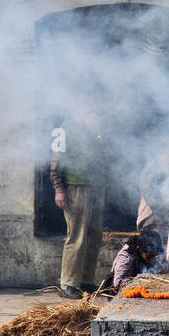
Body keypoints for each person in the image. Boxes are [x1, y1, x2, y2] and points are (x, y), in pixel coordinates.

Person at [50, 108, 107, 300]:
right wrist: (59, 188)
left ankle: (86, 281)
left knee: (94, 235)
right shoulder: (66, 130)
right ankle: (68, 283)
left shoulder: (94, 130)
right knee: (77, 235)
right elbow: (55, 161)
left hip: (95, 186)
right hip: (76, 187)